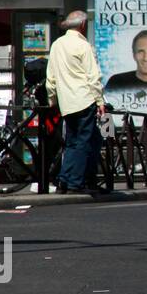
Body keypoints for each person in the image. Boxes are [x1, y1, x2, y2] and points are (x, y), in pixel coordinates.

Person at [45, 11, 106, 194]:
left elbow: (51, 77)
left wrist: (53, 99)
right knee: (82, 142)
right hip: (84, 99)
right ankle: (74, 182)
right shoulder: (83, 45)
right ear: (83, 25)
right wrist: (100, 100)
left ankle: (72, 179)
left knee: (79, 140)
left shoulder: (57, 45)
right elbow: (93, 76)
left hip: (67, 102)